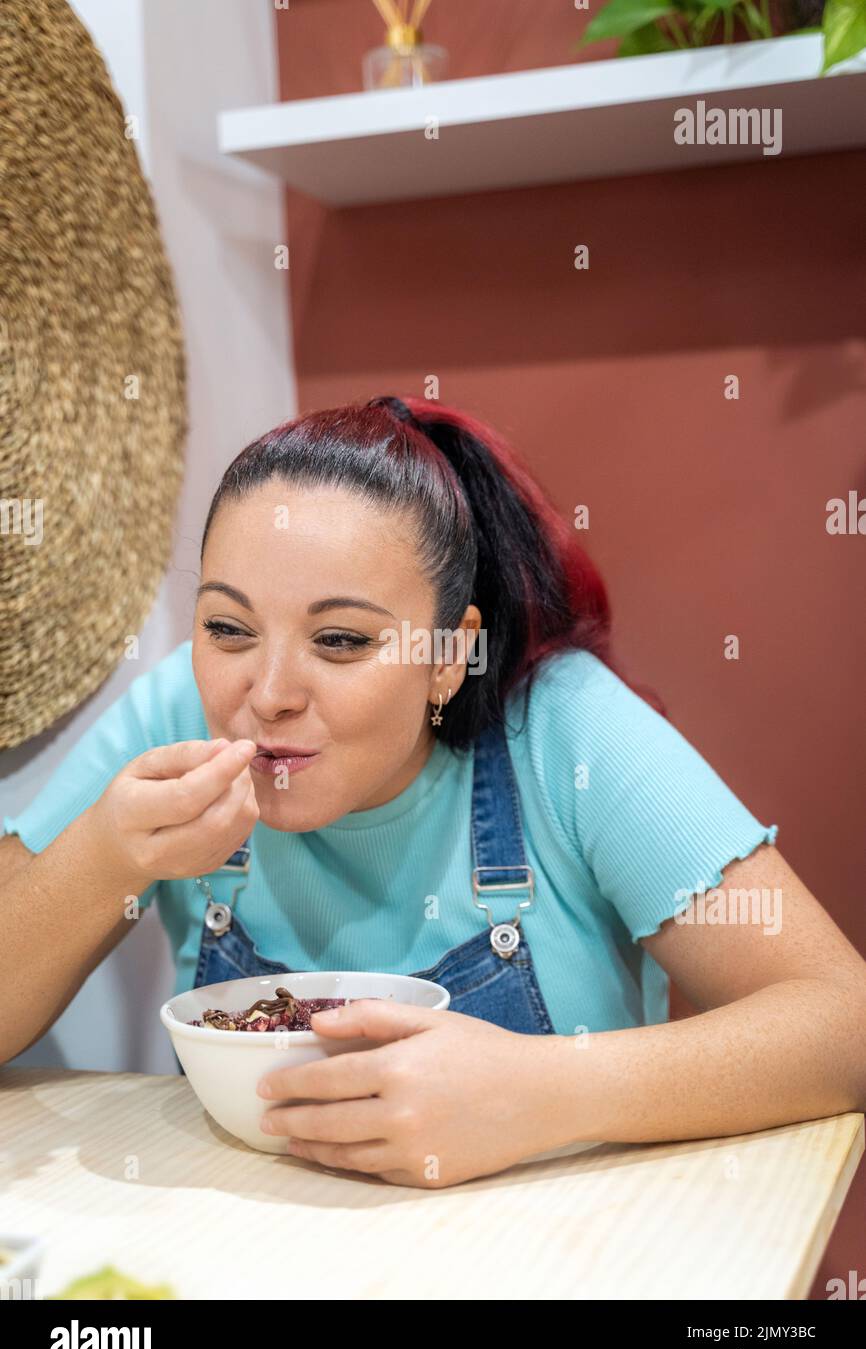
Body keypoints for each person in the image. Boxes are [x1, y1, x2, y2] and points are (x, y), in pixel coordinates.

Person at [3, 395, 865, 1189]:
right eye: (228, 628)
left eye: (339, 639)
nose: (265, 693)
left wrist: (546, 1090)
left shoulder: (565, 730)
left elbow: (845, 1026)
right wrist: (102, 859)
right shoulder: (176, 714)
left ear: (450, 655)